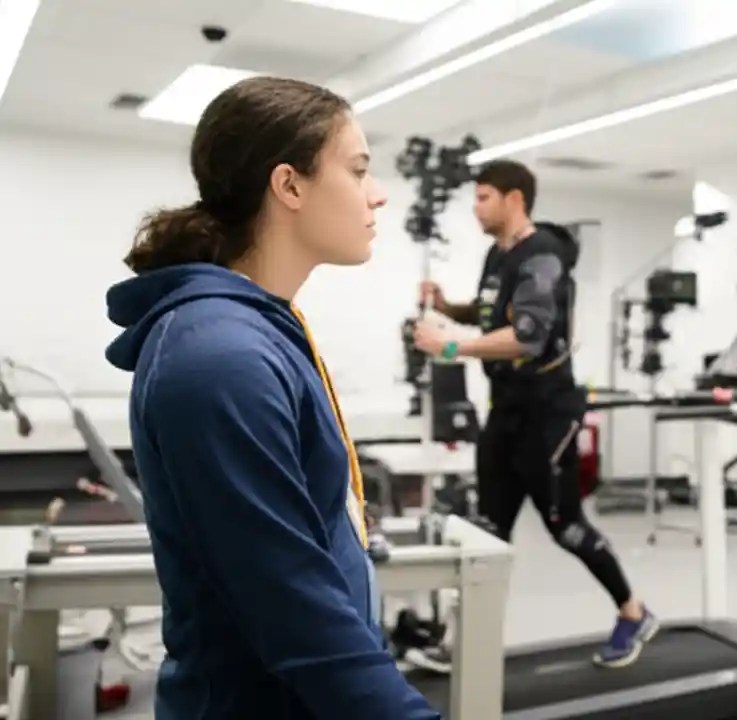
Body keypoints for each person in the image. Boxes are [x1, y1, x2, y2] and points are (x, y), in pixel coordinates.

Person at [103, 77, 439, 720]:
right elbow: (291, 607)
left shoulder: (255, 329)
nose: (378, 193)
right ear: (289, 186)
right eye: (359, 169)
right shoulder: (219, 356)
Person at [414, 160, 658, 668]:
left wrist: (451, 349)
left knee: (564, 526)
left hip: (548, 415)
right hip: (505, 411)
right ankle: (462, 645)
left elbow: (527, 336)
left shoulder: (542, 256)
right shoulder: (495, 256)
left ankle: (633, 612)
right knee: (487, 532)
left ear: (515, 199)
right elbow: (492, 315)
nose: (475, 207)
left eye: (484, 197)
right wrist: (448, 307)